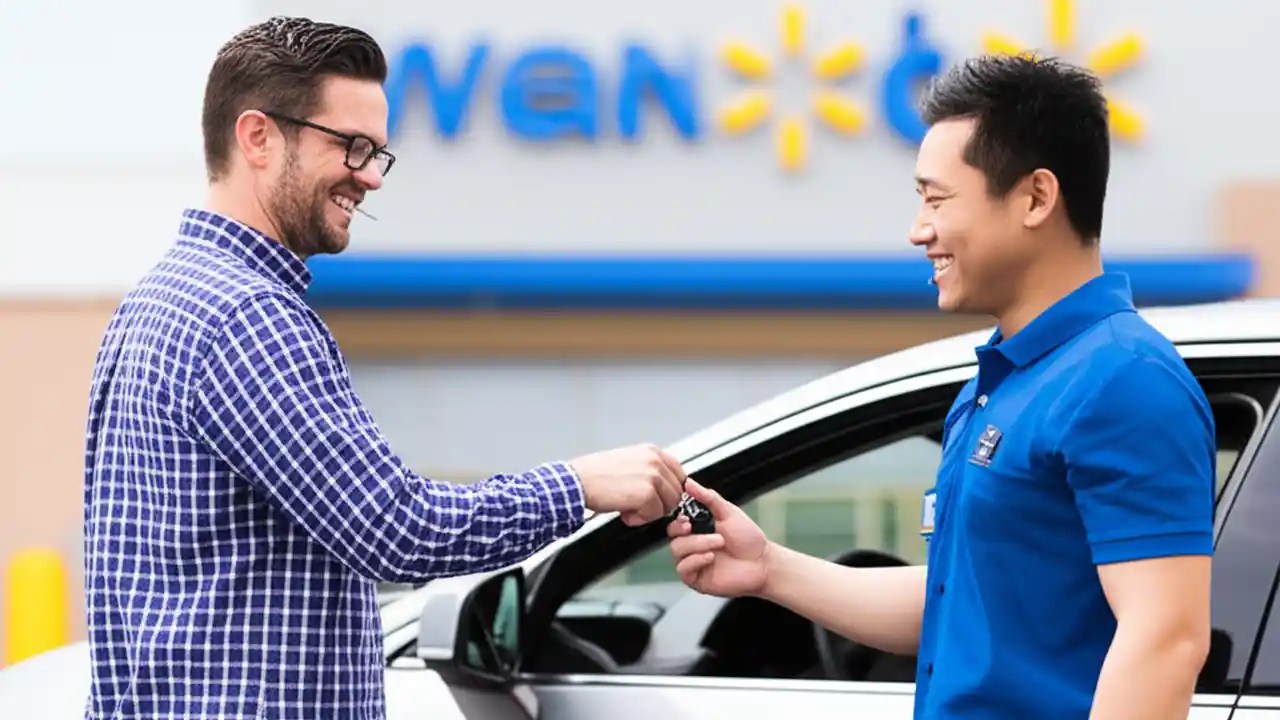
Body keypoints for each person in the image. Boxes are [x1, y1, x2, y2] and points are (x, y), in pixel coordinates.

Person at [81, 16, 688, 719]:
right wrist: (579, 485)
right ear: (258, 137)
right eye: (353, 146)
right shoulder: (249, 317)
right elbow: (395, 527)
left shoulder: (156, 301)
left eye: (377, 153)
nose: (370, 177)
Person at [669, 53, 1214, 720]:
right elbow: (960, 603)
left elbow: (1165, 638)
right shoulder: (1003, 381)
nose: (918, 230)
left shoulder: (1123, 378)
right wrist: (769, 569)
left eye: (936, 199)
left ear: (1036, 198)